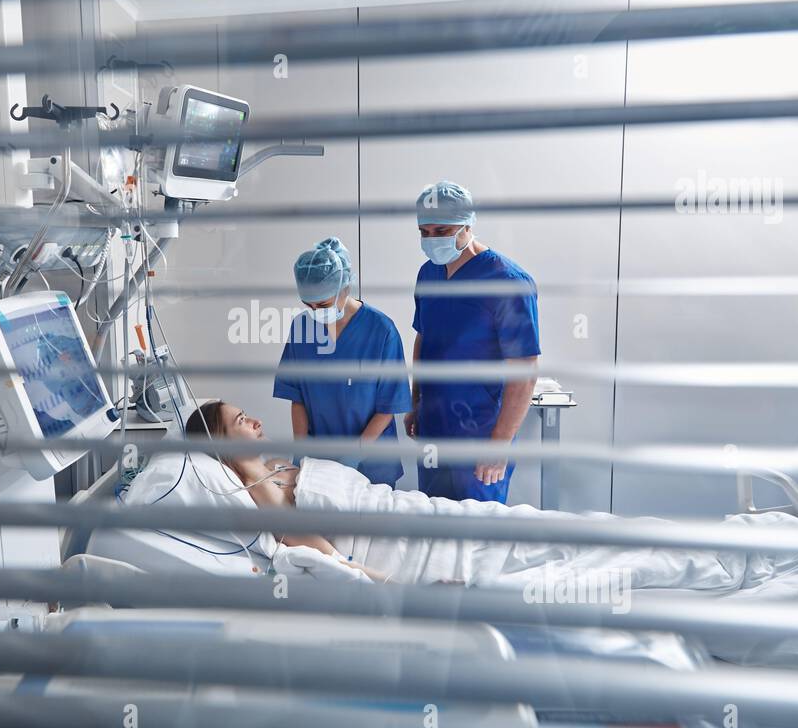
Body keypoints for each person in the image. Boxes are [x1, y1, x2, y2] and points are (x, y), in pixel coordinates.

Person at [407, 181, 540, 504]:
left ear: (467, 225)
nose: (432, 240)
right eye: (425, 232)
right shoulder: (429, 274)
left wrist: (500, 444)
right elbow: (423, 338)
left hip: (481, 432)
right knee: (433, 520)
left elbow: (524, 371)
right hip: (434, 426)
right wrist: (416, 402)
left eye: (442, 230)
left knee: (477, 535)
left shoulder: (508, 283)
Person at [183, 400, 388, 581]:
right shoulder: (263, 494)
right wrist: (386, 582)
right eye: (242, 420)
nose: (257, 421)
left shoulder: (276, 465)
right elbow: (331, 557)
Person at [273, 237, 412, 488]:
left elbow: (388, 406)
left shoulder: (381, 330)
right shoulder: (302, 328)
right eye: (308, 304)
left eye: (323, 304)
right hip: (317, 460)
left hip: (372, 464)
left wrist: (356, 454)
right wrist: (302, 452)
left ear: (345, 287)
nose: (315, 311)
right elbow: (298, 398)